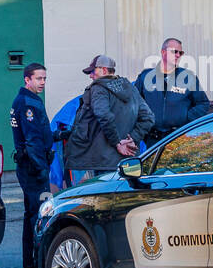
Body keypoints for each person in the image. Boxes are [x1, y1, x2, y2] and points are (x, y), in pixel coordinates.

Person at [64, 55, 155, 184]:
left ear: (104, 70)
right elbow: (148, 117)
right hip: (130, 160)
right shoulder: (131, 88)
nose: (91, 76)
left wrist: (118, 143)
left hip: (103, 162)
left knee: (104, 200)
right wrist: (132, 139)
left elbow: (103, 115)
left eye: (92, 71)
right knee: (127, 198)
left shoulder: (99, 88)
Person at [10, 63, 59, 268]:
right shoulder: (28, 104)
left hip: (32, 165)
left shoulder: (28, 100)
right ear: (27, 80)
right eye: (39, 79)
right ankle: (36, 261)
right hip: (33, 167)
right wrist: (41, 169)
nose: (43, 83)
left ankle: (30, 262)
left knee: (31, 213)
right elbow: (32, 140)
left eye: (45, 78)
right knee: (38, 213)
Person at [134, 37, 210, 142]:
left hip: (178, 139)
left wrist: (186, 117)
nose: (178, 55)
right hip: (151, 140)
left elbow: (203, 103)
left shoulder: (188, 77)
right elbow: (133, 103)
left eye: (181, 53)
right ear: (163, 52)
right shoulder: (146, 76)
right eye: (174, 51)